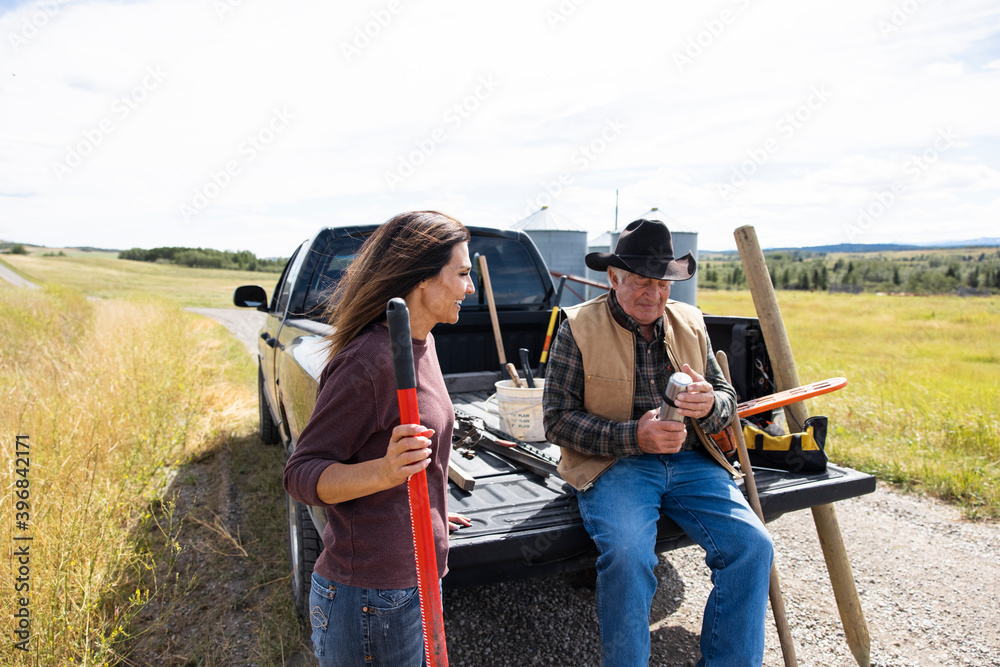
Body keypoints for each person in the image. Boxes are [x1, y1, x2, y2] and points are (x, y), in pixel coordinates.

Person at [542, 218, 774, 666]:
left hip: (692, 464)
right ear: (613, 278)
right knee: (629, 558)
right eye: (642, 283)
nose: (655, 294)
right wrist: (635, 436)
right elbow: (556, 421)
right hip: (615, 466)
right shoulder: (578, 327)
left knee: (753, 548)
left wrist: (710, 406)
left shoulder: (690, 322)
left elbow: (727, 400)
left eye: (664, 283)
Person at [283, 211, 475, 667]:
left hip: (415, 575)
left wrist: (429, 512)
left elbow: (417, 456)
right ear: (422, 280)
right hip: (369, 598)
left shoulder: (419, 343)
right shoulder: (370, 362)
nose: (471, 287)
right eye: (463, 273)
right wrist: (385, 471)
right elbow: (301, 473)